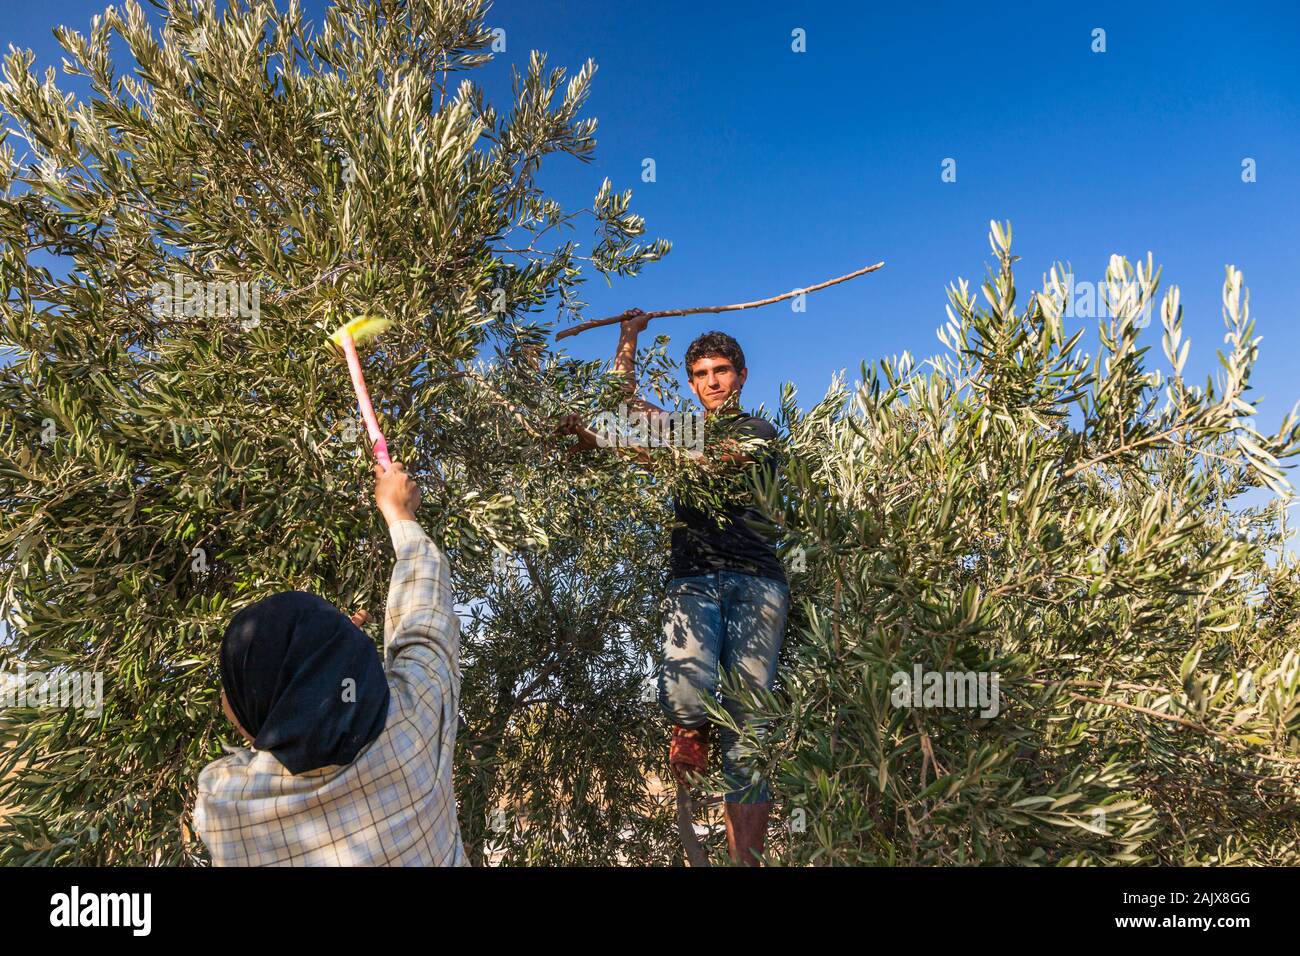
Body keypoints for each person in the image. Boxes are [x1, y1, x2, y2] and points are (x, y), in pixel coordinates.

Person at [561, 315, 789, 865]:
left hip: (757, 583)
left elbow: (708, 465)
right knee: (686, 696)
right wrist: (628, 338)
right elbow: (624, 404)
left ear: (741, 376)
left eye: (721, 371)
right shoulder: (684, 427)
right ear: (690, 383)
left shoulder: (758, 433)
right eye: (701, 374)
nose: (712, 381)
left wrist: (606, 443)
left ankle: (746, 859)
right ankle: (691, 729)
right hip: (691, 579)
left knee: (748, 728)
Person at [194, 461, 466, 866]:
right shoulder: (415, 726)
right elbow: (426, 624)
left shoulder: (224, 807)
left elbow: (258, 732)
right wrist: (400, 513)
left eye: (230, 688)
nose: (223, 698)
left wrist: (326, 674)